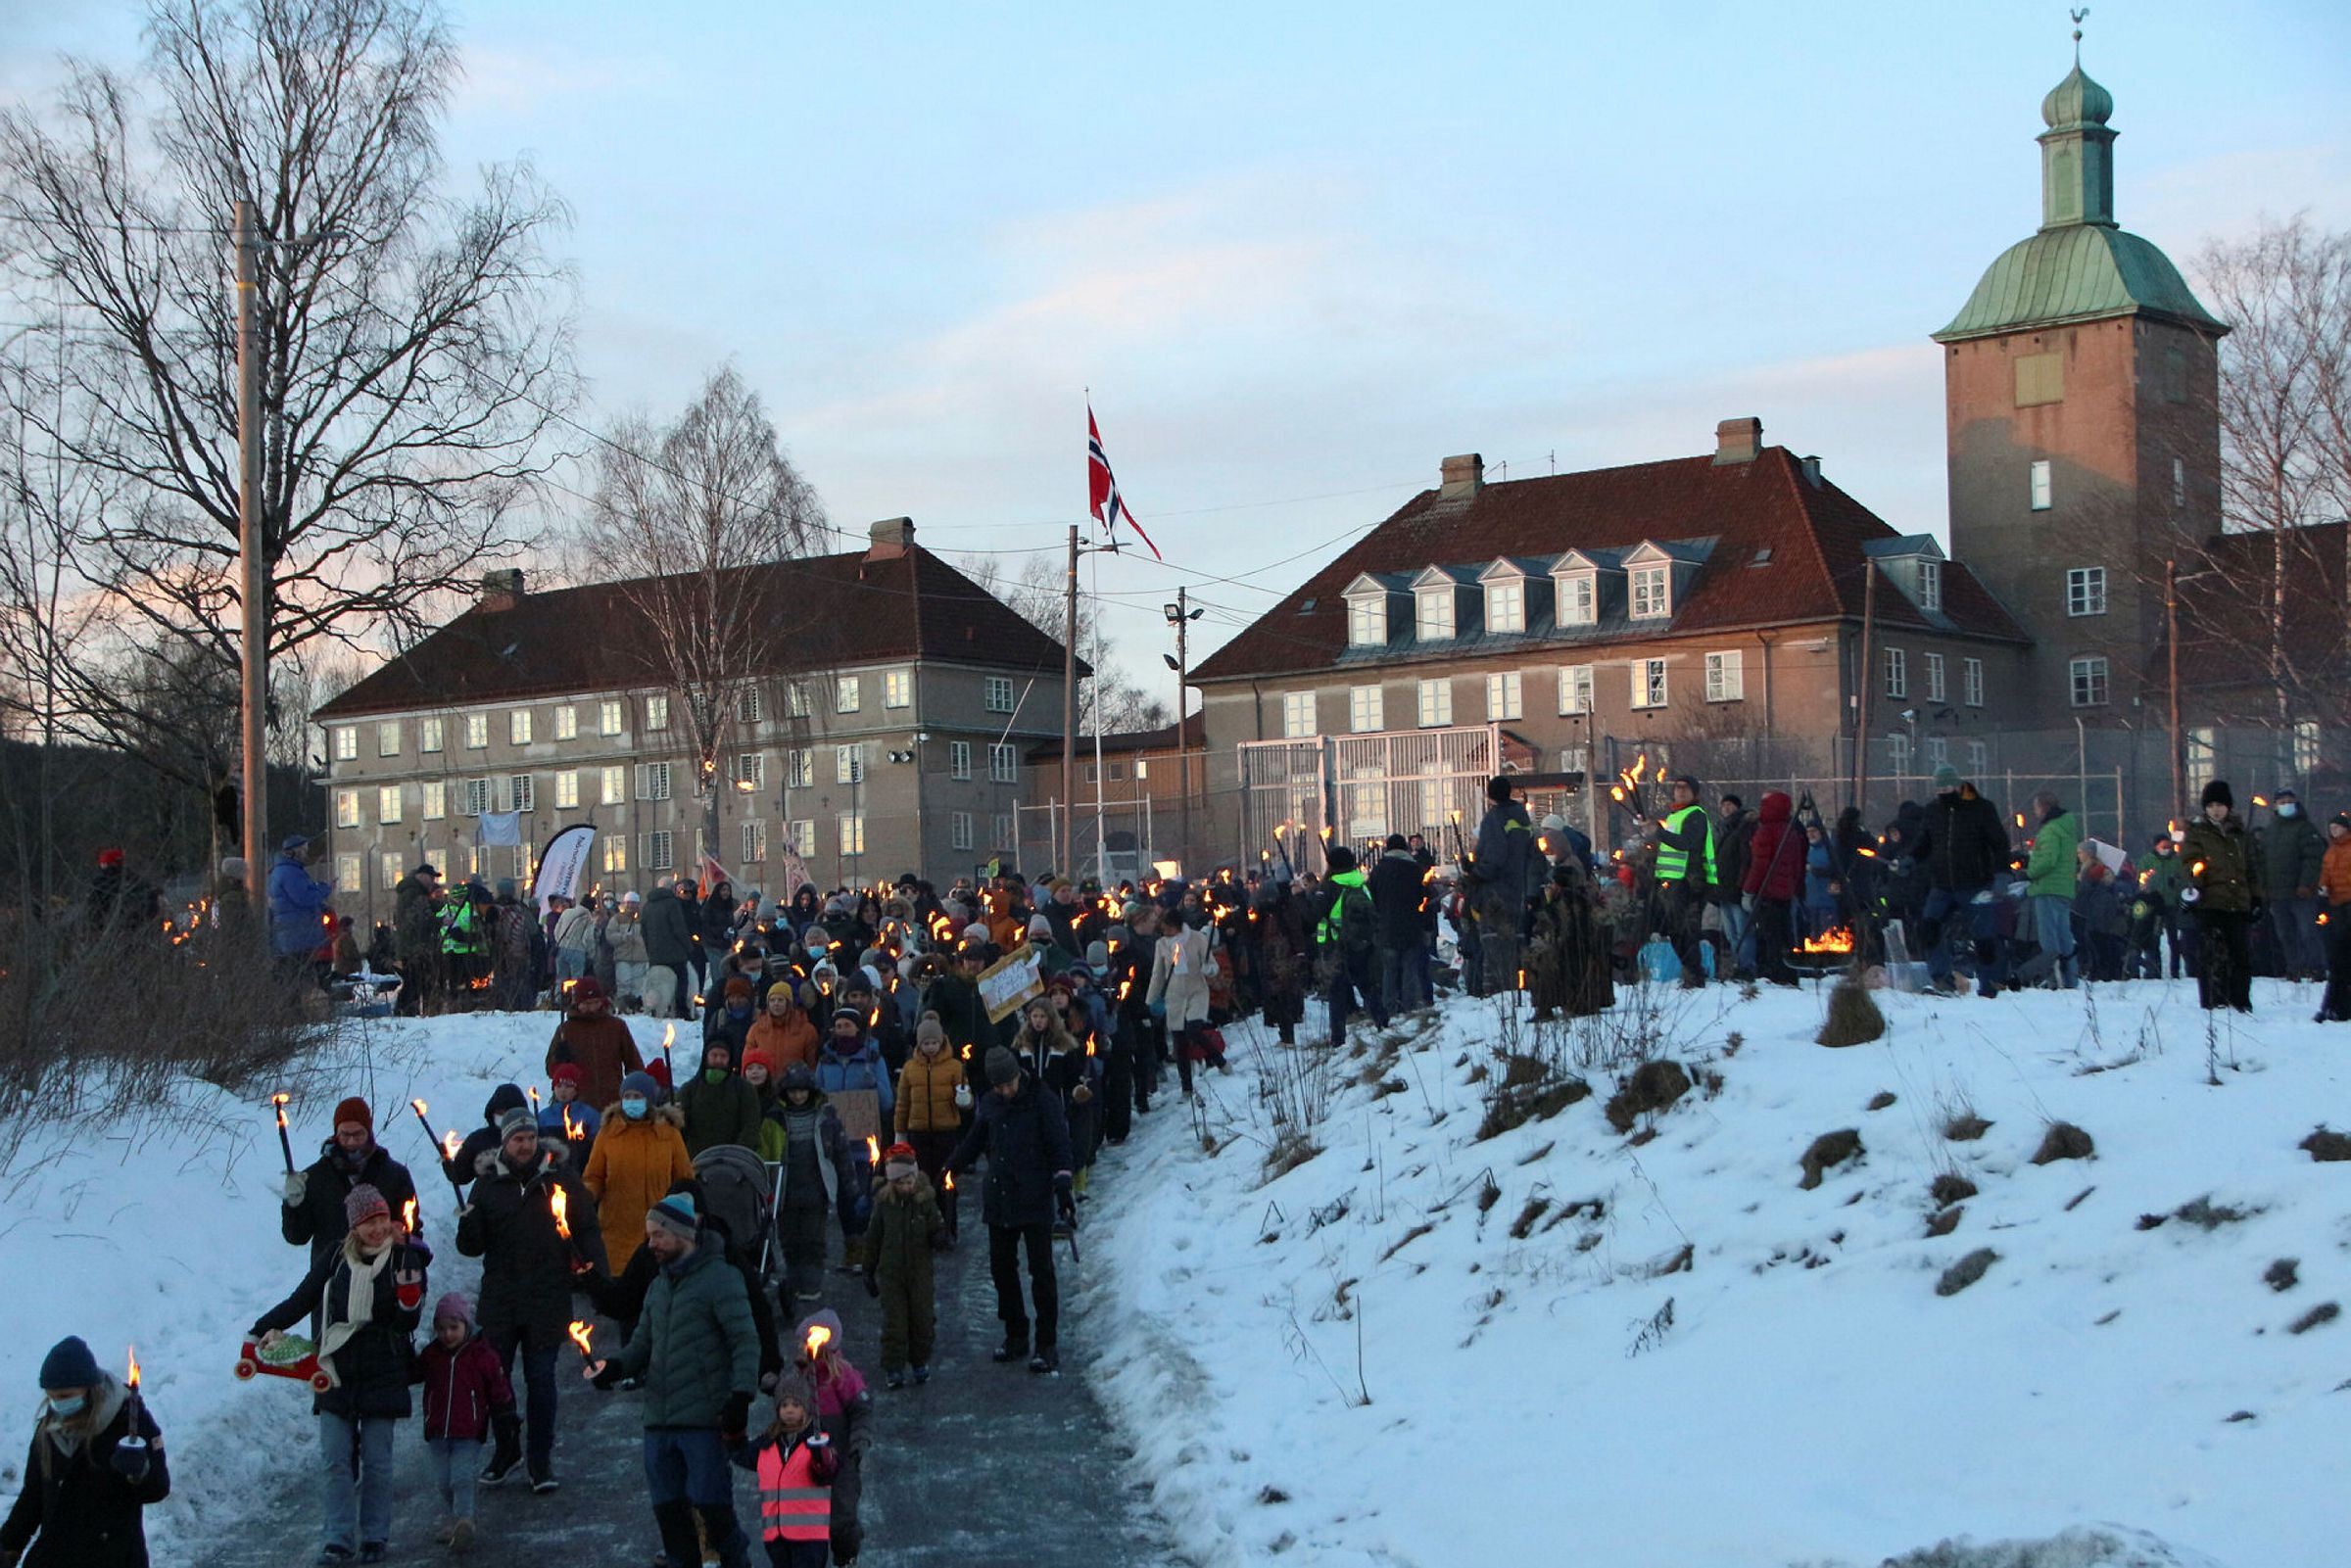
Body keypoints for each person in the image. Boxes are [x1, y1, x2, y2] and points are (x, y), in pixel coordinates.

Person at [251, 1185, 429, 1564]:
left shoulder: (404, 1258)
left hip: (384, 1368)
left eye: (381, 1219)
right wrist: (258, 1329)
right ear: (354, 1226)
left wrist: (409, 1301)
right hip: (336, 1366)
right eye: (368, 1222)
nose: (377, 1229)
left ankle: (375, 1537)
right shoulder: (335, 1257)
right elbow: (301, 1300)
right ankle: (337, 1539)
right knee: (335, 1460)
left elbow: (407, 1322)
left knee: (377, 1463)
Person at [590, 1193, 761, 1568]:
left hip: (703, 1420)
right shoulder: (658, 1286)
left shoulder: (721, 1279)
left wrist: (741, 1396)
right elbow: (641, 1345)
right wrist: (614, 1368)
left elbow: (745, 1340)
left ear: (682, 1234)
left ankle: (737, 1562)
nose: (650, 1243)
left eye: (658, 1235)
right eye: (649, 1235)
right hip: (659, 1421)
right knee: (670, 1515)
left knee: (712, 1508)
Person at [456, 1109, 607, 1494]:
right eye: (517, 1139)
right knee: (496, 1380)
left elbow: (586, 1228)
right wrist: (468, 1226)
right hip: (501, 1299)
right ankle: (507, 1450)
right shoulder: (487, 1185)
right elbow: (471, 1247)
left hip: (547, 1296)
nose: (524, 1146)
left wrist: (596, 1273)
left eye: (529, 1138)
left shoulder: (560, 1179)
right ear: (505, 1142)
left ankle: (540, 1460)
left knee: (541, 1380)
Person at [946, 1046, 1076, 1374]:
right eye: (999, 1086)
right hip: (1000, 1196)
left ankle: (1046, 1343)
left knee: (1041, 1271)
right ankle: (1015, 1333)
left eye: (1009, 1084)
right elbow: (976, 1140)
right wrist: (950, 1168)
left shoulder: (1043, 1100)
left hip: (1034, 1196)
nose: (1006, 1091)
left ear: (1018, 1076)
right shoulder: (991, 1104)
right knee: (1002, 1269)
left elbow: (1059, 1145)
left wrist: (1063, 1187)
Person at [0, 1335, 170, 1567]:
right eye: (51, 1396)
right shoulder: (48, 1430)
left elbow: (158, 1488)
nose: (57, 1404)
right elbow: (33, 1496)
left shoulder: (128, 1423)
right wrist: (8, 1547)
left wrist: (139, 1472)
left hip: (112, 1558)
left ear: (90, 1389)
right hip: (54, 1559)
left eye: (65, 1396)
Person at [410, 1291, 514, 1553]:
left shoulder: (481, 1355)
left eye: (453, 1328)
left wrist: (504, 1410)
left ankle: (464, 1520)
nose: (447, 1335)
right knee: (444, 1481)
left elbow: (498, 1385)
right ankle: (457, 1521)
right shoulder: (432, 1355)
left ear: (466, 1326)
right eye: (441, 1329)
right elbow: (414, 1373)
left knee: (462, 1477)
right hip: (437, 1429)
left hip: (468, 1429)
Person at [283, 1097, 420, 1273]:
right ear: (336, 1133)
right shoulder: (315, 1177)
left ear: (369, 1131)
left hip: (381, 1275)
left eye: (358, 1134)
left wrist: (406, 1253)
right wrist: (293, 1205)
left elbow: (412, 1227)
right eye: (345, 1135)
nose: (351, 1142)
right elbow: (297, 1237)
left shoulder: (395, 1175)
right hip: (330, 1276)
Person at [585, 1069, 696, 1279]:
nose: (631, 1101)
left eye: (637, 1096)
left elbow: (685, 1180)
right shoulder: (608, 1133)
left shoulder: (669, 1134)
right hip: (617, 1232)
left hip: (660, 1233)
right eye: (627, 1096)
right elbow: (594, 1176)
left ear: (649, 1100)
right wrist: (587, 1194)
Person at [1913, 764, 2012, 995]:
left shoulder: (1982, 808)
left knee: (1984, 937)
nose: (1943, 793)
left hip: (1976, 884)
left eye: (1947, 788)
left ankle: (1992, 984)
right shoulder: (1933, 811)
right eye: (1939, 789)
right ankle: (1942, 979)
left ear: (1957, 786)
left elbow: (1999, 844)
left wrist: (2002, 874)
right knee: (1929, 929)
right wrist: (1909, 859)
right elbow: (1924, 842)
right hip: (1942, 885)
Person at [763, 1064, 859, 1303]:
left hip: (816, 1188)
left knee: (813, 1240)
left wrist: (849, 1183)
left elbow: (841, 1152)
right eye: (793, 1091)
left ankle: (812, 1283)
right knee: (789, 1240)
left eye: (802, 1091)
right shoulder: (775, 1117)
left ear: (811, 1091)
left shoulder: (826, 1117)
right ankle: (794, 1282)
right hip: (785, 1190)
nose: (798, 1096)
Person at [789, 1309, 874, 1565]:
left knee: (842, 1514)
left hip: (842, 1457)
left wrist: (859, 1442)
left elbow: (861, 1411)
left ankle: (846, 1556)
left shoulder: (843, 1377)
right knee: (808, 1515)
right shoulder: (800, 1377)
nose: (802, 1347)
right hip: (807, 1459)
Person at [727, 1374, 837, 1568]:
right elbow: (741, 1454)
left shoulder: (818, 1440)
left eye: (796, 1404)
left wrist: (822, 1456)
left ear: (806, 1408)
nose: (789, 1410)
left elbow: (828, 1471)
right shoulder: (767, 1443)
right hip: (775, 1536)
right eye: (784, 1405)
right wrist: (732, 1429)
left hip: (809, 1536)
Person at [863, 1143, 944, 1390]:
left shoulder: (925, 1203)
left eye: (910, 1181)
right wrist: (868, 1269)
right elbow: (873, 1238)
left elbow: (936, 1228)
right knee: (895, 1323)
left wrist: (940, 1236)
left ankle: (920, 1361)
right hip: (892, 1274)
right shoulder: (884, 1205)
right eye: (901, 1183)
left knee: (922, 1319)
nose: (907, 1187)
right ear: (892, 1183)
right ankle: (894, 1366)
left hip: (920, 1273)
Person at [2183, 781, 2255, 1013]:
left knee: (2240, 953)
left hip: (2238, 902)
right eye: (2211, 806)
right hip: (2210, 903)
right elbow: (2191, 864)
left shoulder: (2241, 834)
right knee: (2212, 953)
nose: (2215, 810)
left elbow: (2253, 868)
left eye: (2220, 805)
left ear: (2228, 807)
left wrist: (2257, 897)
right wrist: (2194, 889)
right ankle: (2214, 999)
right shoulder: (2197, 834)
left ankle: (2240, 1000)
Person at [893, 1015, 966, 1241]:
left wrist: (965, 1099)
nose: (931, 1047)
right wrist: (900, 1132)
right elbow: (903, 1103)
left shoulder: (955, 1067)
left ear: (941, 1041)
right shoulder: (910, 1069)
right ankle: (925, 1227)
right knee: (921, 1181)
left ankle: (950, 1227)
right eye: (926, 1043)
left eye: (934, 1042)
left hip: (946, 1132)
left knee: (946, 1180)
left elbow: (965, 1098)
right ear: (919, 1044)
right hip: (919, 1132)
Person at [1464, 776, 1539, 994]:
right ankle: (1513, 991)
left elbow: (1495, 855)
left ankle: (1496, 997)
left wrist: (1476, 873)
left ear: (1490, 795)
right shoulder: (1523, 818)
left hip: (1495, 893)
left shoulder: (1494, 818)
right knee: (1513, 947)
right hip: (1518, 891)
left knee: (1493, 946)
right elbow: (1529, 854)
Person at [1311, 845, 1386, 1045]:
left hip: (1336, 945)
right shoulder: (1361, 884)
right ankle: (1382, 1021)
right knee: (1367, 985)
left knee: (1337, 992)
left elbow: (1313, 916)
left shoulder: (1328, 887)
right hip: (1360, 944)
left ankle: (1338, 1039)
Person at [1646, 775, 1715, 988]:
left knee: (1686, 931)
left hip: (1689, 882)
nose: (1681, 790)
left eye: (1686, 788)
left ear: (1695, 793)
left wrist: (1659, 833)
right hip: (1672, 882)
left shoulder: (1696, 816)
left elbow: (1685, 843)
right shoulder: (1675, 816)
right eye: (1678, 787)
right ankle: (1691, 971)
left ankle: (1694, 974)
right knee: (1676, 930)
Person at [2254, 788, 2325, 980]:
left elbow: (2314, 859)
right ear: (2275, 806)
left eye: (2289, 801)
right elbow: (2261, 862)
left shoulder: (2305, 828)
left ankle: (2315, 967)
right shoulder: (2270, 831)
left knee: (2307, 931)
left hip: (2301, 893)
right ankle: (2294, 967)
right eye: (2282, 802)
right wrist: (2263, 887)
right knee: (2285, 934)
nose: (2286, 805)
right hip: (2277, 893)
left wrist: (2307, 884)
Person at [545, 976, 644, 1112]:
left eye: (595, 1002)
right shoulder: (566, 1030)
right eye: (586, 1003)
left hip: (613, 1105)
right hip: (579, 1108)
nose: (591, 1007)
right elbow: (551, 1070)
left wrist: (636, 1092)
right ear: (577, 1003)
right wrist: (559, 1061)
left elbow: (634, 1064)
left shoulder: (616, 1027)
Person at [1740, 791, 1805, 987]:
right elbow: (1797, 865)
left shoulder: (1766, 832)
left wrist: (1748, 890)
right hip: (1786, 892)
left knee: (1770, 935)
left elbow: (1759, 865)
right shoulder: (1790, 832)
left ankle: (1775, 973)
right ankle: (1789, 972)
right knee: (1786, 934)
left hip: (1767, 892)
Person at [2022, 791, 2083, 988]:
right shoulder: (2067, 827)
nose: (2035, 812)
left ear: (2043, 807)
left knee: (2048, 937)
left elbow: (2048, 859)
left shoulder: (2050, 830)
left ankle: (2053, 977)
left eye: (2036, 807)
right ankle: (2071, 977)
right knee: (2064, 934)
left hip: (2047, 887)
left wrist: (2030, 872)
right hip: (2064, 887)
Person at [1367, 832, 1430, 1014]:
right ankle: (1409, 1006)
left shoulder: (1378, 870)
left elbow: (1372, 897)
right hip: (1410, 926)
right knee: (1410, 968)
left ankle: (1389, 1007)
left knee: (1389, 970)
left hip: (1387, 927)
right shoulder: (1414, 869)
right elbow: (1421, 898)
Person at [681, 1039, 765, 1159]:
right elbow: (681, 1126)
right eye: (714, 1055)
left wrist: (737, 1154)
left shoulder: (744, 1089)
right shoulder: (690, 1089)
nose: (718, 1060)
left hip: (734, 1160)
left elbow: (751, 1126)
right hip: (696, 1159)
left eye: (723, 1056)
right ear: (706, 1057)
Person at [268, 834, 336, 980]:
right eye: (304, 849)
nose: (306, 853)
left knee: (297, 978)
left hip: (292, 936)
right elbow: (303, 898)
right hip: (298, 936)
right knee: (301, 978)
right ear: (294, 851)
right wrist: (325, 889)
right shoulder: (291, 872)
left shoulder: (284, 871)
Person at [644, 881, 700, 1021]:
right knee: (682, 978)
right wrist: (688, 947)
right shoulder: (672, 904)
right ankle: (681, 1009)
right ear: (672, 888)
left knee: (656, 982)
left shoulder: (647, 905)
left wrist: (650, 950)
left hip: (655, 955)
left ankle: (654, 1008)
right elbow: (679, 928)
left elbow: (643, 931)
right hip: (675, 954)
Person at [2318, 814, 2351, 1022]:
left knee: (2342, 953)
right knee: (2340, 953)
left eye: (2338, 827)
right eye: (2332, 828)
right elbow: (2326, 873)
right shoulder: (2331, 852)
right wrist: (2323, 886)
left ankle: (2337, 1005)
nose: (2334, 831)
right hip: (2336, 904)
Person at [746, 983, 821, 1075]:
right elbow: (747, 1061)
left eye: (780, 1000)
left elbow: (812, 1064)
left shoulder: (806, 1030)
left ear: (788, 1003)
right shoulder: (756, 1029)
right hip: (765, 1082)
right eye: (772, 1000)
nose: (776, 1003)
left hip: (794, 1082)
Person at [539, 1064, 601, 1166]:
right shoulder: (543, 1117)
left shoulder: (590, 1115)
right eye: (559, 1086)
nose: (563, 1090)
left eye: (568, 1086)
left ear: (577, 1089)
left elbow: (599, 1146)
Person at [609, 892, 651, 1011]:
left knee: (638, 985)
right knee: (623, 983)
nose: (631, 906)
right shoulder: (617, 918)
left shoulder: (643, 919)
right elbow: (610, 935)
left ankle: (637, 1006)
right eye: (629, 903)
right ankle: (623, 1006)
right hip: (623, 957)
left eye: (634, 903)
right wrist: (623, 937)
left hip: (640, 957)